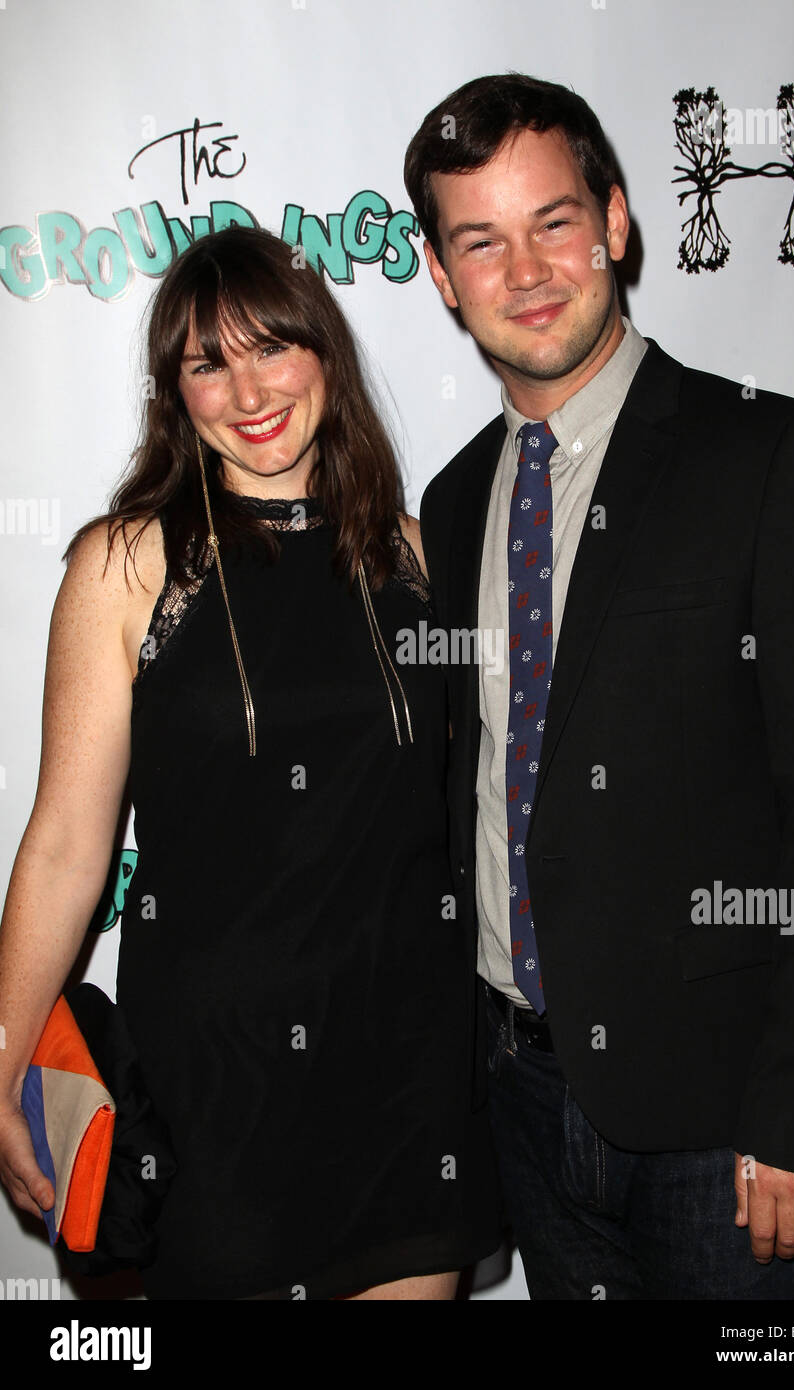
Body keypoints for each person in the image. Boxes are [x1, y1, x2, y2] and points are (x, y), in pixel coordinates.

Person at [403, 73, 794, 1300]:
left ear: (616, 221)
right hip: (519, 1096)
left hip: (732, 1127)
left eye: (553, 221)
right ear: (439, 272)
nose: (525, 271)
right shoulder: (455, 501)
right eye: (481, 240)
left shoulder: (777, 456)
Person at [0, 225, 500, 1300]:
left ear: (326, 354)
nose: (248, 388)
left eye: (272, 346)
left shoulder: (418, 559)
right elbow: (65, 846)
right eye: (207, 361)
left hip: (406, 1070)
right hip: (212, 1083)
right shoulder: (127, 563)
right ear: (173, 391)